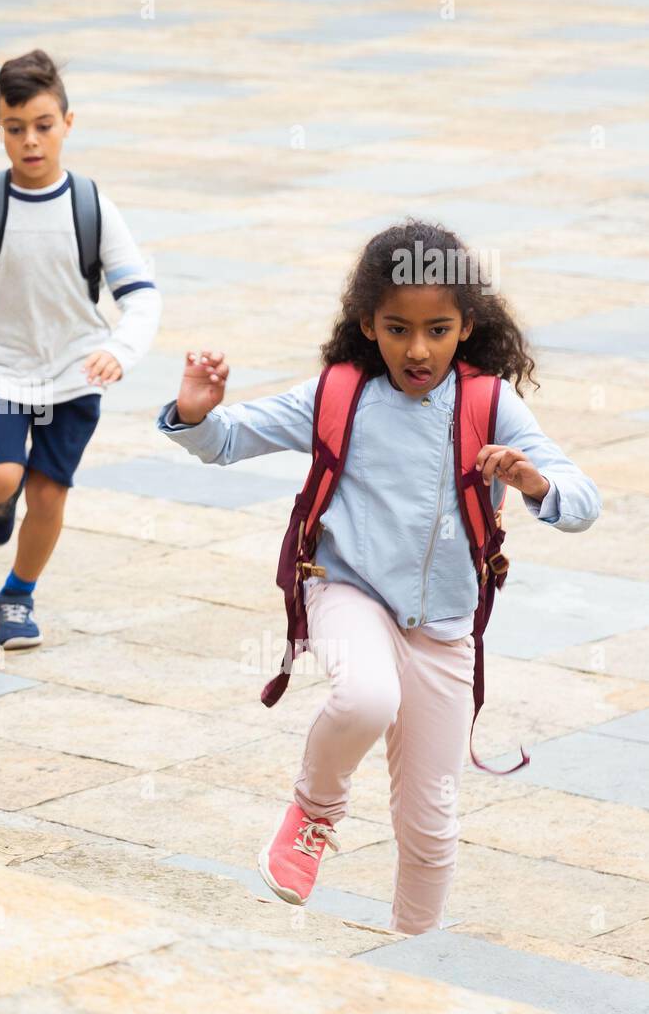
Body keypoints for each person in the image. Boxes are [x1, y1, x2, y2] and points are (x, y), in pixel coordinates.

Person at [158, 219, 601, 934]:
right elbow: (229, 438)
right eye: (397, 328)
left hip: (446, 631)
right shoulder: (341, 393)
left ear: (467, 326)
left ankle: (412, 957)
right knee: (365, 695)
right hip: (346, 589)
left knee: (431, 827)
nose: (416, 348)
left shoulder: (489, 402)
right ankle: (314, 812)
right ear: (368, 324)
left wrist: (535, 482)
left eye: (437, 328)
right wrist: (194, 413)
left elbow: (585, 501)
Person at [0, 49, 160, 650]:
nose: (30, 141)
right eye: (15, 130)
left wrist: (121, 348)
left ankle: (17, 594)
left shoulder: (91, 205)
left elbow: (141, 295)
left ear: (68, 122)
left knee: (48, 493)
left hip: (73, 373)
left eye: (43, 126)